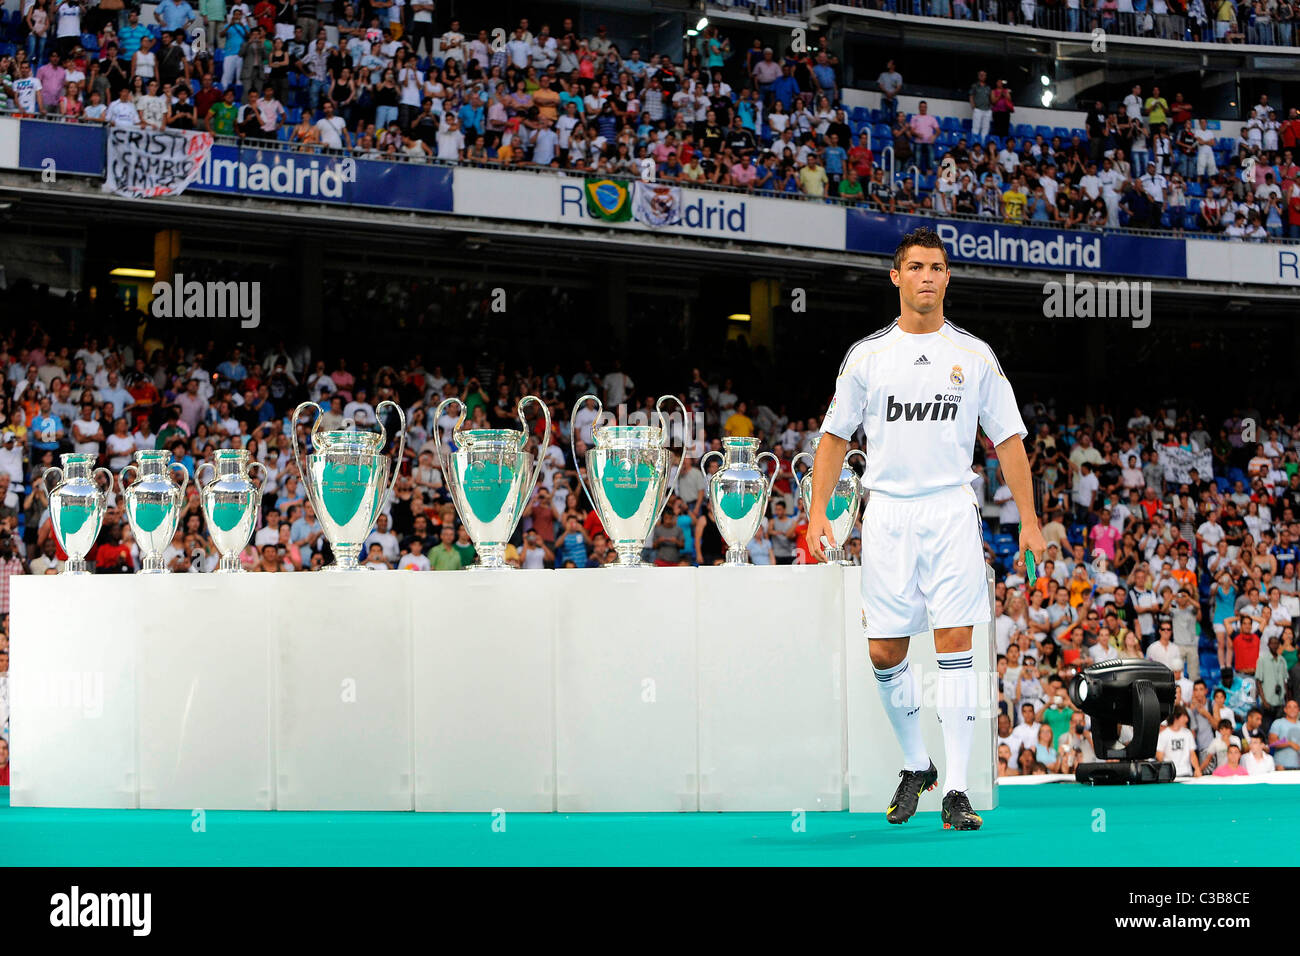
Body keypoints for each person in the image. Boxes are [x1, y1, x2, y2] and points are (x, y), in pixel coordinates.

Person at [809, 227, 1043, 832]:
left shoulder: (974, 355)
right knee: (885, 650)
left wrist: (1031, 522)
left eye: (937, 267)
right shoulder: (867, 356)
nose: (927, 277)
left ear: (947, 277)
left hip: (950, 511)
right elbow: (833, 437)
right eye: (915, 267)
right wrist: (817, 511)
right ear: (896, 277)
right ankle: (918, 764)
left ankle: (958, 789)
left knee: (955, 645)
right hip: (886, 513)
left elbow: (1009, 440)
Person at [1155, 706, 1202, 777]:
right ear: (1176, 717)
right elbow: (1159, 756)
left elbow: (1192, 754)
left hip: (1186, 773)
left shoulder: (1188, 733)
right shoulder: (1163, 735)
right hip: (1170, 775)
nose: (1187, 719)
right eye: (1184, 716)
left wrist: (1197, 768)